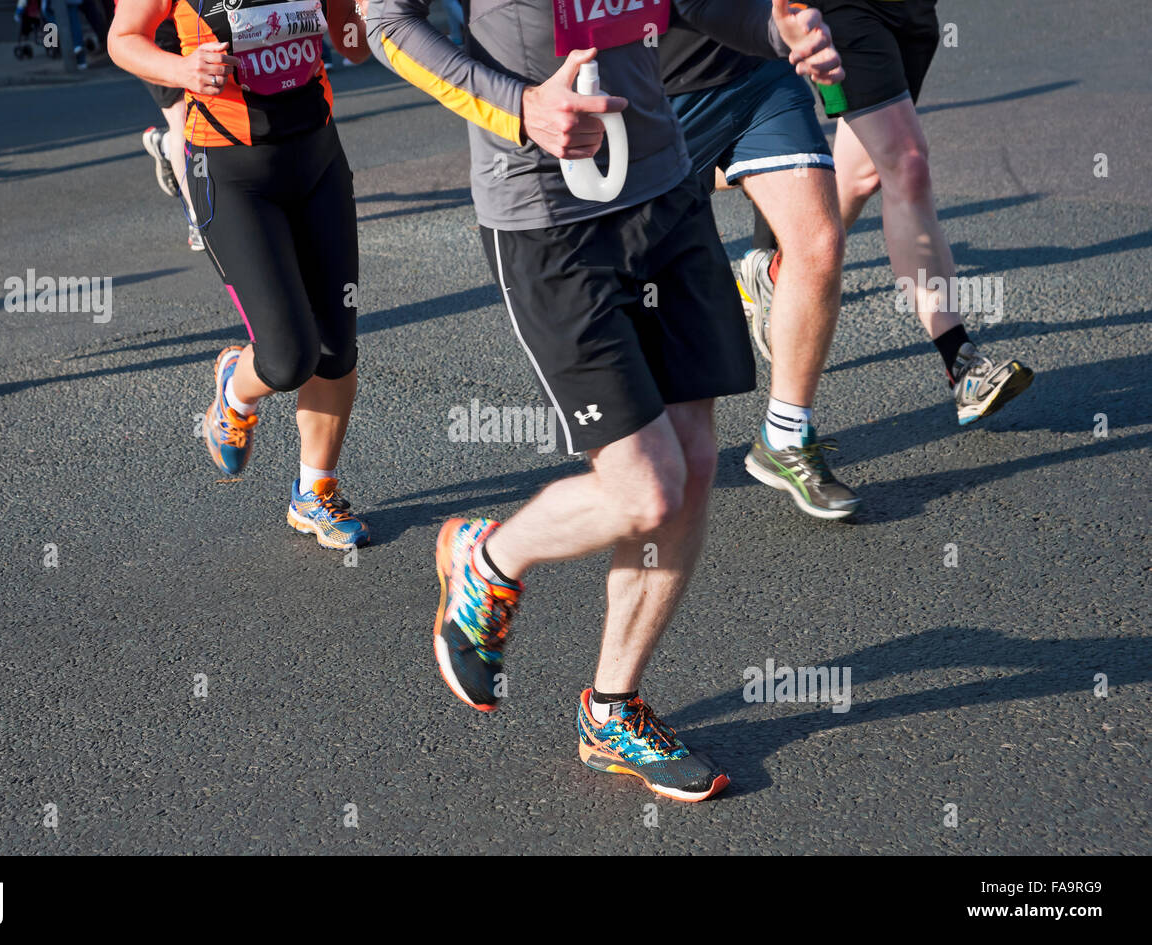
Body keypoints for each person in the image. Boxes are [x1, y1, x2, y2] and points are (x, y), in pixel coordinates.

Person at [364, 0, 842, 799]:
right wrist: (520, 105)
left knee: (694, 461)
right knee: (645, 490)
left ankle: (614, 709)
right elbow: (384, 22)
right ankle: (489, 559)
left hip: (665, 189)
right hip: (547, 218)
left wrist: (773, 32)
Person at [110, 0, 374, 549]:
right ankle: (234, 388)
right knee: (287, 359)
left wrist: (365, 13)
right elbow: (123, 38)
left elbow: (353, 46)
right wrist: (182, 69)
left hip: (318, 158)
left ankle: (314, 493)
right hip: (230, 173)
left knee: (336, 345)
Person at [742, 0, 1034, 426]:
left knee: (864, 173)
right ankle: (962, 363)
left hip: (911, 9)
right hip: (843, 9)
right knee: (906, 164)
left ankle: (777, 273)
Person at [662, 7, 859, 520]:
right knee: (635, 274)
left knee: (819, 242)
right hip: (654, 90)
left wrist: (803, 31)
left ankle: (786, 436)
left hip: (759, 73)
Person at [137, 16, 202, 250]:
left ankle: (166, 146)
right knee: (183, 119)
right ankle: (198, 218)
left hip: (197, 21)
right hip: (155, 31)